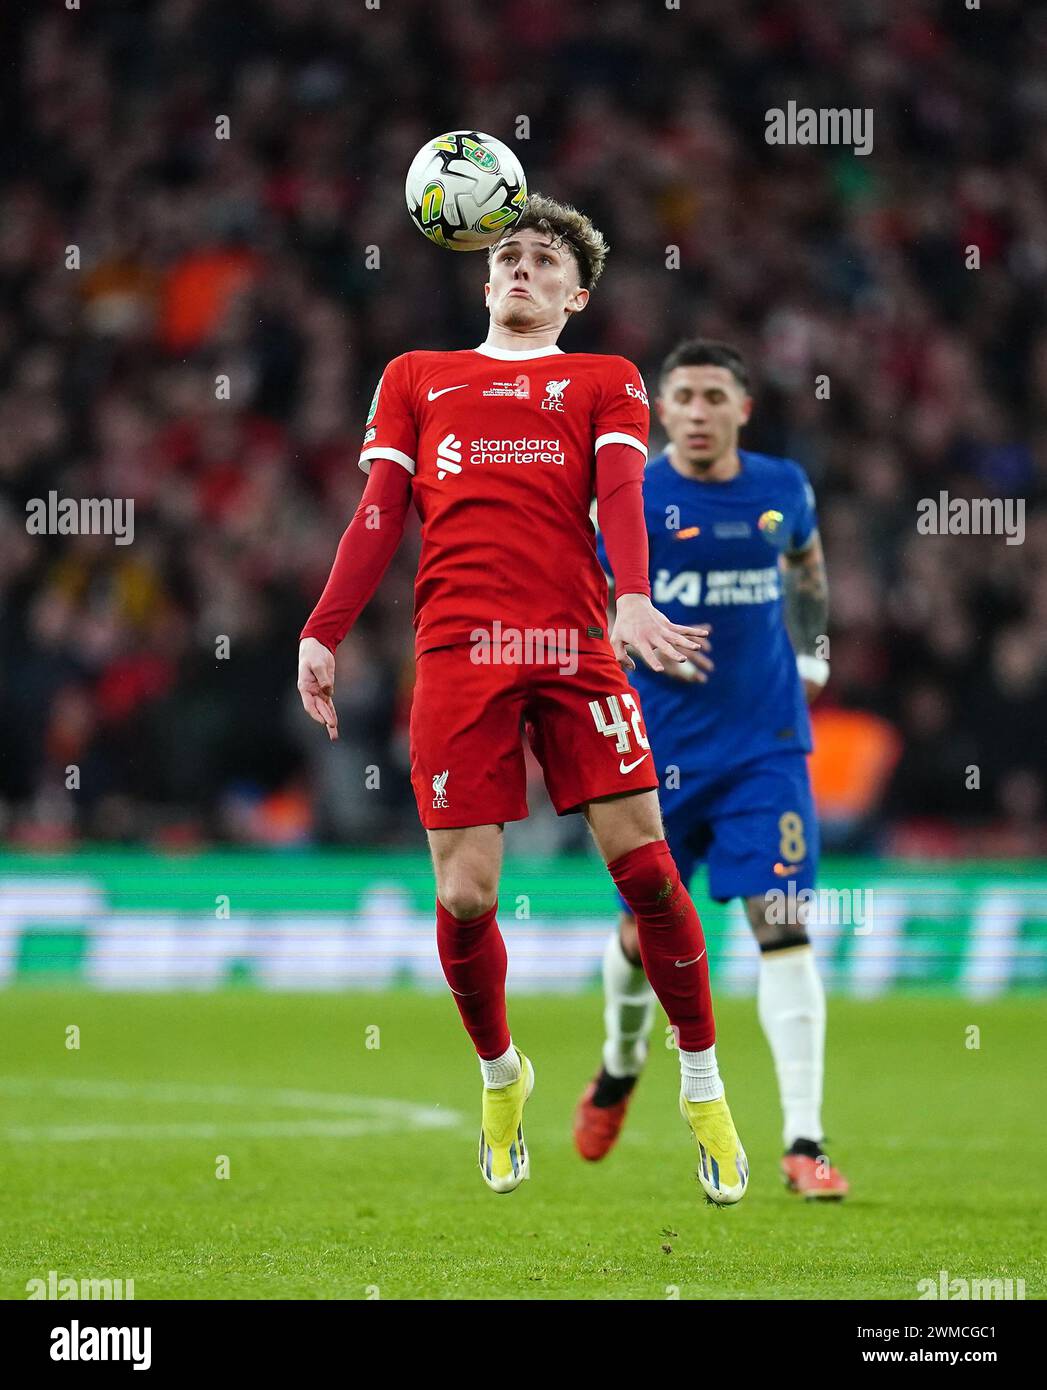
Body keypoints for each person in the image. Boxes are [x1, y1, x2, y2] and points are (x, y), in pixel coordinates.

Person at [297, 197, 748, 1204]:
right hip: (458, 651)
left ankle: (703, 1085)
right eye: (507, 254)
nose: (521, 269)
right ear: (483, 274)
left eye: (544, 261)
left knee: (650, 876)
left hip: (576, 644)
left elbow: (624, 493)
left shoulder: (604, 380)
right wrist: (323, 628)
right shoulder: (419, 376)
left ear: (574, 295)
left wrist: (634, 597)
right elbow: (377, 513)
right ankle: (503, 1076)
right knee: (463, 897)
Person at [573, 339, 849, 1200]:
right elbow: (580, 596)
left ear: (742, 408)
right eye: (682, 396)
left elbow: (804, 564)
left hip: (765, 745)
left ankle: (804, 1141)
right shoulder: (628, 495)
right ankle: (620, 1067)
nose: (696, 412)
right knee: (641, 934)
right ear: (661, 409)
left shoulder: (781, 489)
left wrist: (812, 654)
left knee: (783, 921)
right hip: (653, 752)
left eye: (712, 397)